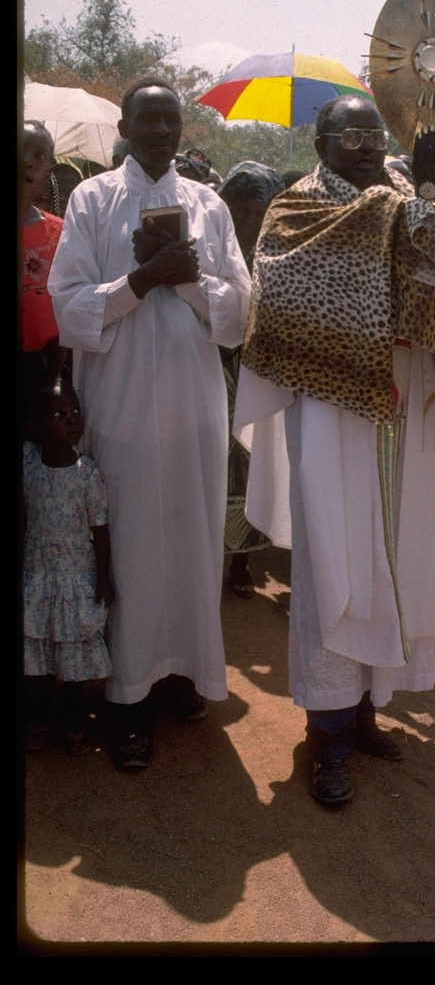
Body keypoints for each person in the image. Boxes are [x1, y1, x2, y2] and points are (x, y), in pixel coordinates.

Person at [234, 94, 435, 805]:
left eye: (375, 134)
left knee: (396, 564)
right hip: (332, 409)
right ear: (321, 144)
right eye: (351, 135)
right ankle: (328, 739)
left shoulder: (408, 198)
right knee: (335, 569)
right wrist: (396, 219)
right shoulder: (296, 212)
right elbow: (283, 297)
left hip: (406, 405)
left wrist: (432, 205)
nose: (367, 145)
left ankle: (368, 710)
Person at [48, 76, 252, 771]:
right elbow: (68, 306)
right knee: (131, 550)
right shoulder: (93, 200)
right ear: (127, 130)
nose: (163, 131)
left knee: (192, 545)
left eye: (172, 120)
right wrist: (138, 281)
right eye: (149, 120)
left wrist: (186, 277)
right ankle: (128, 699)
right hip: (122, 409)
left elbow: (237, 317)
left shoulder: (208, 205)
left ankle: (182, 677)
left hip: (194, 409)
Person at [24, 376, 114, 754]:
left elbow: (100, 530)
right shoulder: (29, 464)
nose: (72, 419)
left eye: (75, 410)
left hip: (76, 581)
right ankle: (40, 717)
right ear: (37, 426)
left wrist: (103, 578)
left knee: (74, 656)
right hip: (39, 579)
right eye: (59, 413)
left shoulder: (87, 474)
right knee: (40, 655)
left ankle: (75, 718)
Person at [217, 161, 285, 597]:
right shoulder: (214, 249)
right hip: (215, 366)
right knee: (215, 462)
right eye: (243, 211)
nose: (252, 221)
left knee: (251, 461)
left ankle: (241, 559)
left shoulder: (278, 255)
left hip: (256, 371)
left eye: (260, 212)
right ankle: (211, 557)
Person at [21, 121, 69, 392]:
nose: (28, 161)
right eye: (21, 149)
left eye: (40, 156)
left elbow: (63, 313)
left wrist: (54, 382)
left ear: (47, 171)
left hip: (41, 373)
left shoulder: (60, 234)